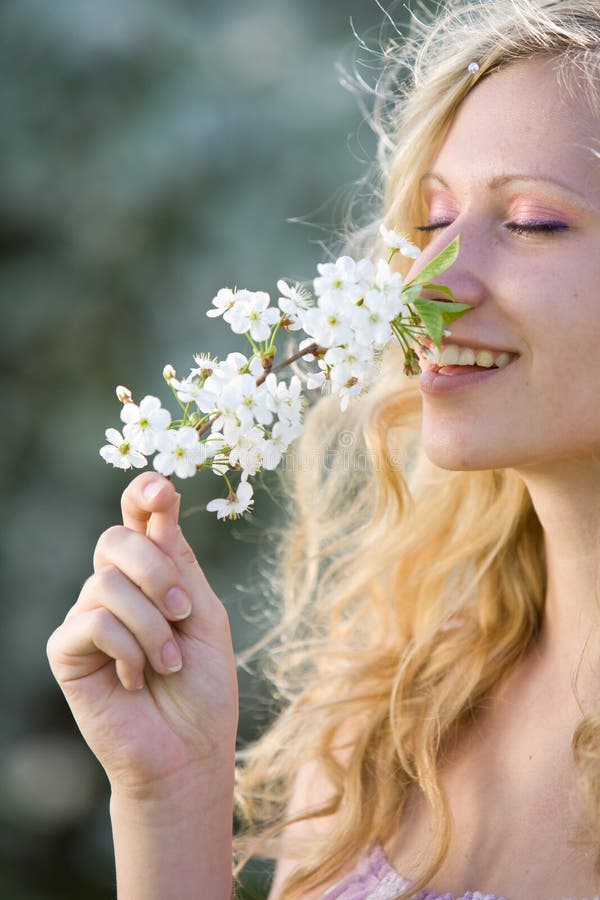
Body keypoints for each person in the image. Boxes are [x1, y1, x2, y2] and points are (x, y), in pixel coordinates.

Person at [47, 1, 600, 898]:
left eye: (533, 222)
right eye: (431, 221)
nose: (428, 283)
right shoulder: (390, 723)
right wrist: (171, 797)